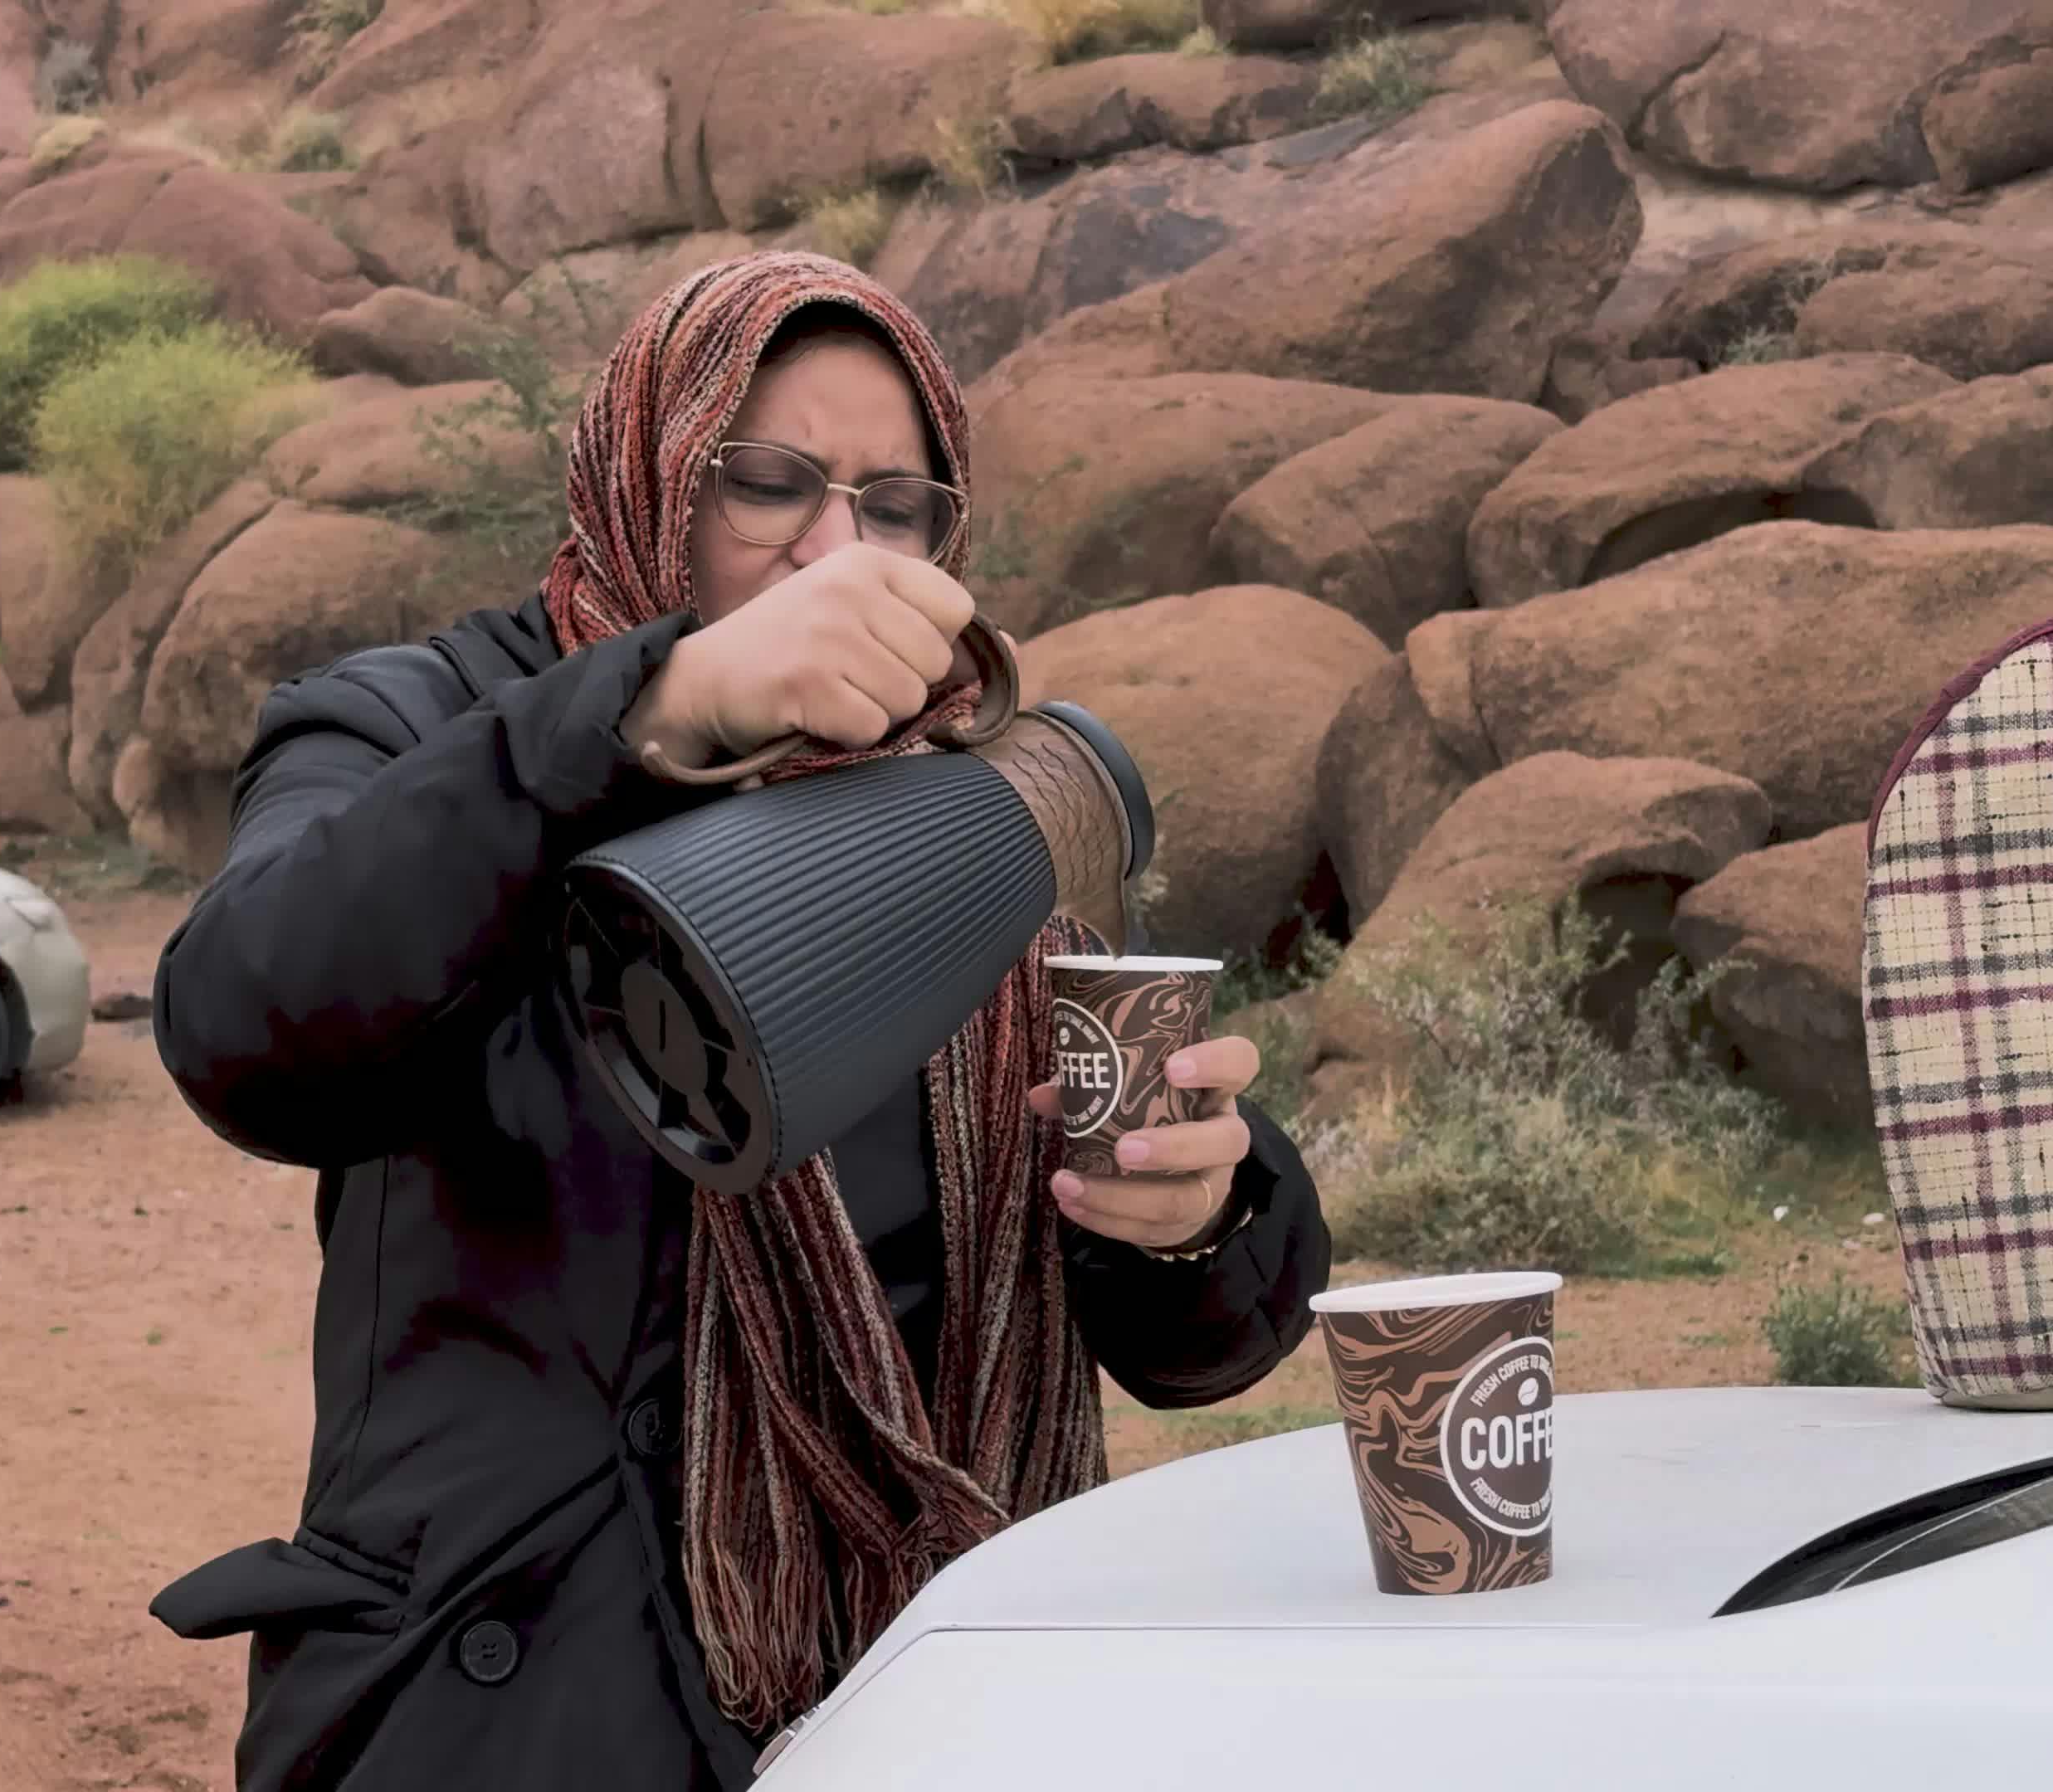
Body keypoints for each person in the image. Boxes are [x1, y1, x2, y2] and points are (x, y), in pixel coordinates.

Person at [145, 250, 1330, 1790]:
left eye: (897, 508)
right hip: (509, 1703)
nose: (836, 550)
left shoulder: (990, 801)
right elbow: (243, 1026)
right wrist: (653, 713)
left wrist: (1194, 1220)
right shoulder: (420, 721)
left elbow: (1196, 1336)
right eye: (769, 484)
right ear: (649, 464)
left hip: (917, 1703)